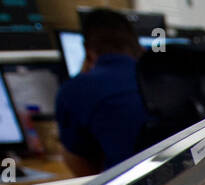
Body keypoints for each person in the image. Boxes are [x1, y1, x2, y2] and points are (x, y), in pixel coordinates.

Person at [53, 7, 151, 176]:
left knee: (68, 149)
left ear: (88, 51)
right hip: (186, 179)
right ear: (137, 45)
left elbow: (84, 167)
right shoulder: (163, 75)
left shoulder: (77, 89)